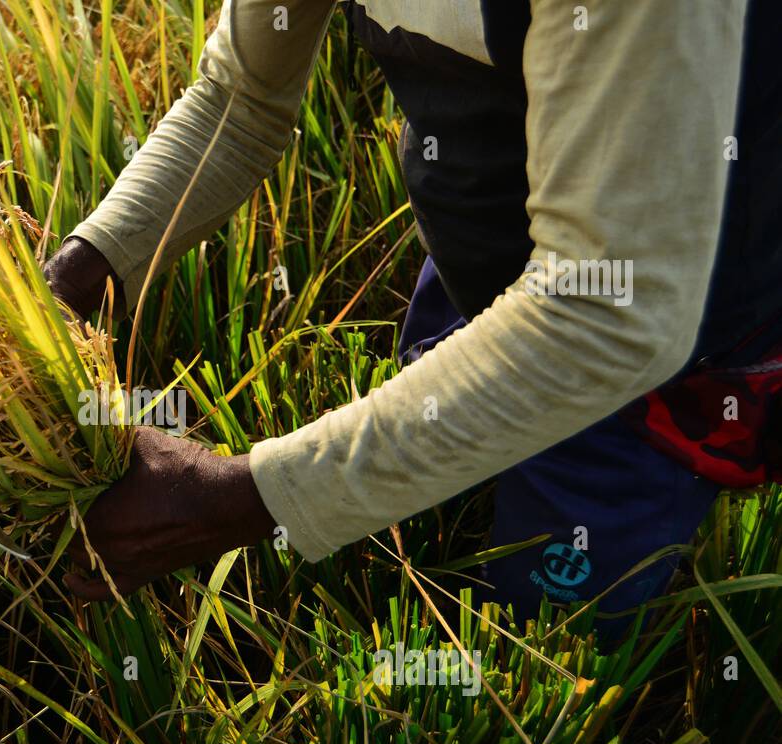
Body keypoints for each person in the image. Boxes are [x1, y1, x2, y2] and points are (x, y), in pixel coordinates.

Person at [43, 0, 781, 637]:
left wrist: (239, 500)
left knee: (536, 661)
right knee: (418, 522)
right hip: (489, 261)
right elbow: (239, 102)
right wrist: (82, 270)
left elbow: (602, 313)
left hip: (651, 345)